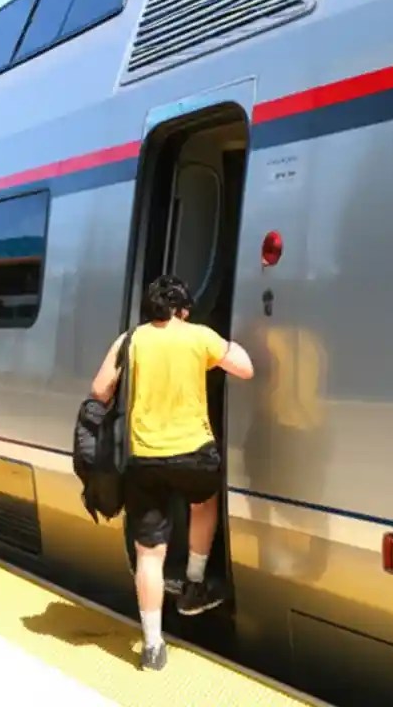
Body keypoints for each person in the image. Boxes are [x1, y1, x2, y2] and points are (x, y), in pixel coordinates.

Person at [89, 275, 255, 671]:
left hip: (144, 460)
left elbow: (99, 390)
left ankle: (151, 645)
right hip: (194, 455)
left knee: (149, 553)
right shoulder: (200, 336)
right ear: (183, 308)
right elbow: (245, 369)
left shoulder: (130, 340)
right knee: (204, 502)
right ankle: (195, 582)